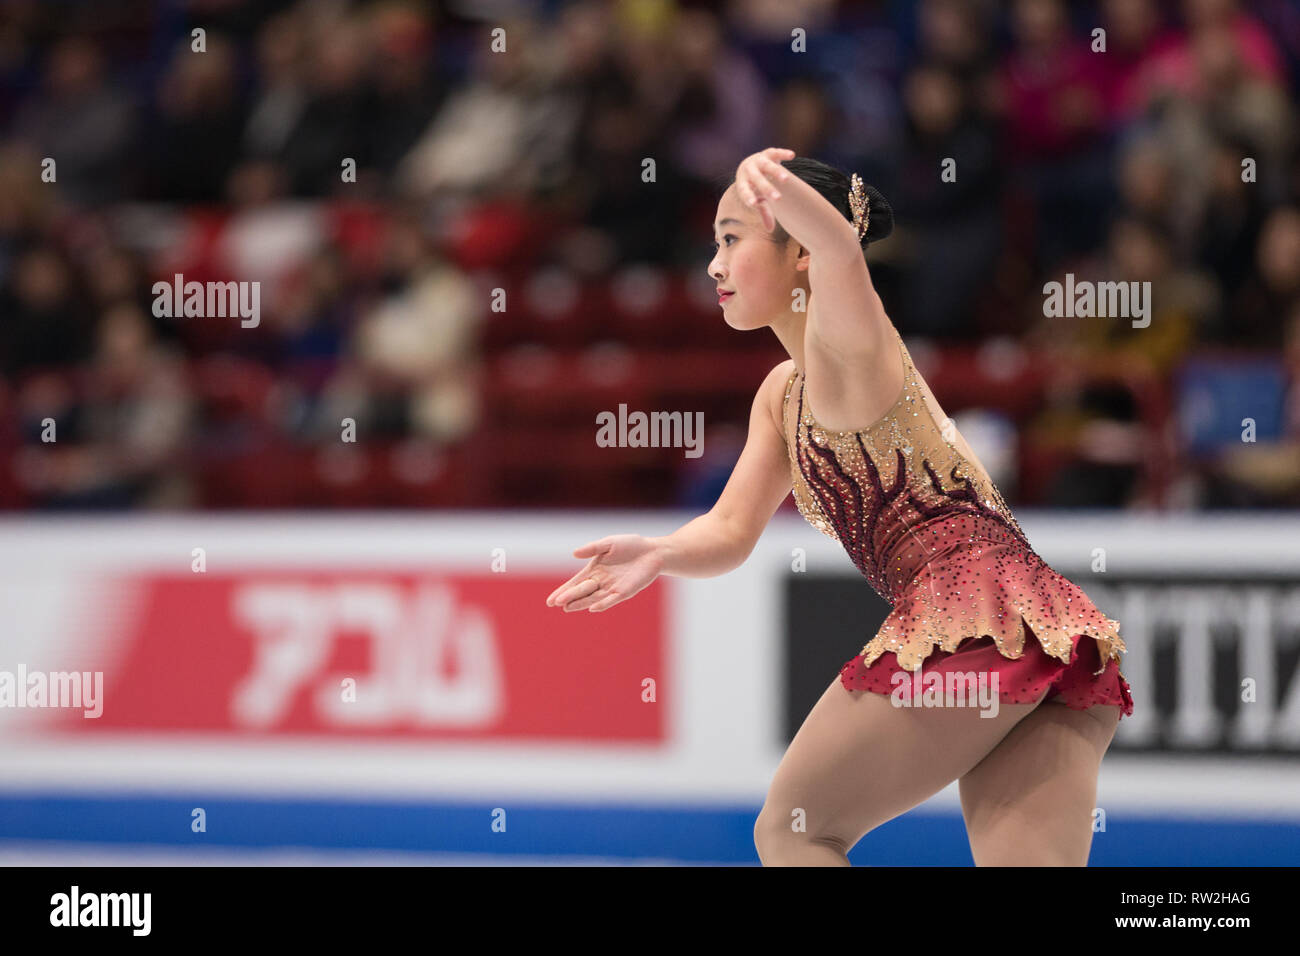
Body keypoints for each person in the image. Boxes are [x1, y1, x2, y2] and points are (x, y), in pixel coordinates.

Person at [546, 148, 1133, 866]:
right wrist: (663, 552)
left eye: (733, 238)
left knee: (795, 830)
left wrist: (783, 189)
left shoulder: (848, 342)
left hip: (971, 614)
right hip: (1043, 625)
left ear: (798, 253)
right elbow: (730, 531)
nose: (713, 265)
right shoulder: (779, 396)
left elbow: (836, 247)